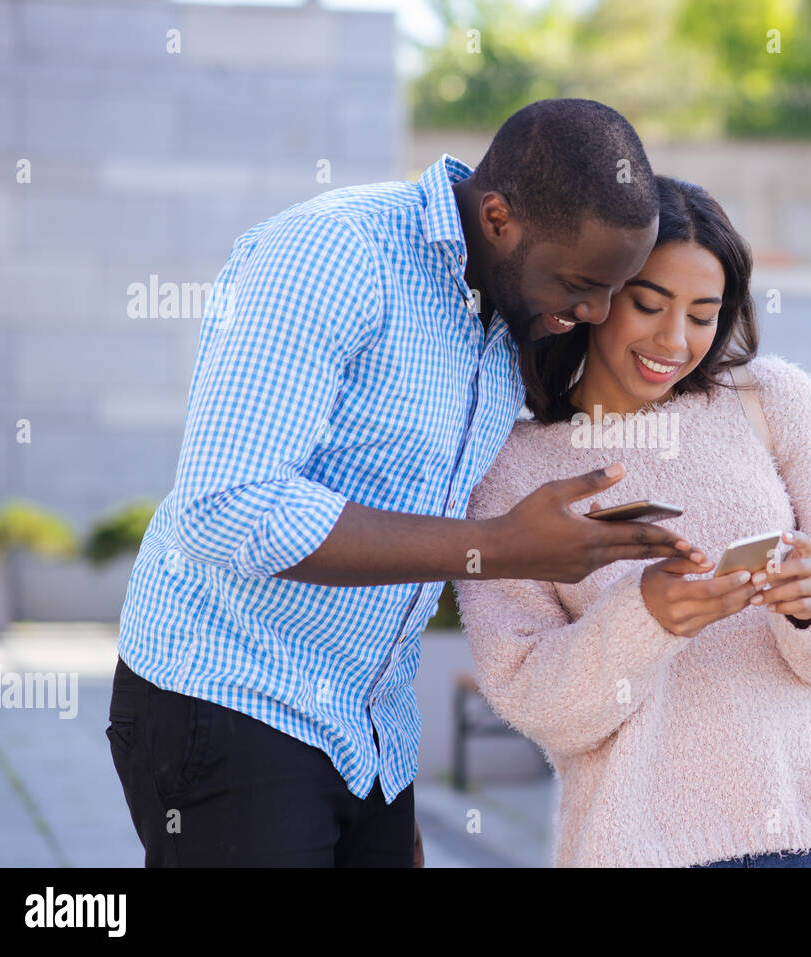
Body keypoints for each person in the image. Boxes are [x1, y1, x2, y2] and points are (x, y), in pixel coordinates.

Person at [106, 99, 698, 866]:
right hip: (232, 701)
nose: (594, 311)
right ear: (497, 218)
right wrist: (495, 547)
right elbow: (225, 506)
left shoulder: (507, 311)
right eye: (584, 282)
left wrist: (389, 771)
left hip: (367, 732)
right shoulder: (333, 253)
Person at [454, 176, 811, 867]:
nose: (674, 338)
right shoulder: (512, 465)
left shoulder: (771, 400)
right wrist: (647, 616)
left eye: (702, 314)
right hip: (644, 847)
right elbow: (531, 694)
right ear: (598, 297)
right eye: (650, 304)